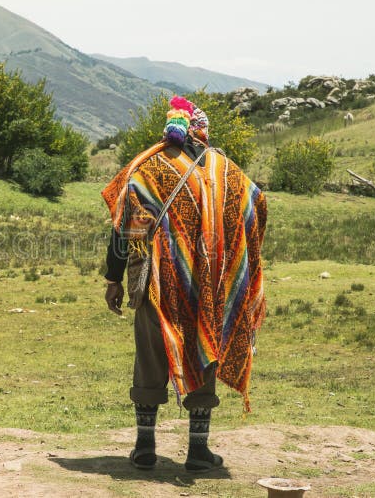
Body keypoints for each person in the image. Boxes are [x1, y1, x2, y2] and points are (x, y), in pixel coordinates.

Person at [101, 96, 267, 472]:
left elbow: (125, 228)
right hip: (208, 286)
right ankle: (197, 452)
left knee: (150, 356)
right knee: (205, 350)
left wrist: (113, 278)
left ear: (171, 131)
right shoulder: (227, 172)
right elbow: (256, 209)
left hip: (154, 282)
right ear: (203, 133)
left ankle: (145, 448)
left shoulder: (149, 169)